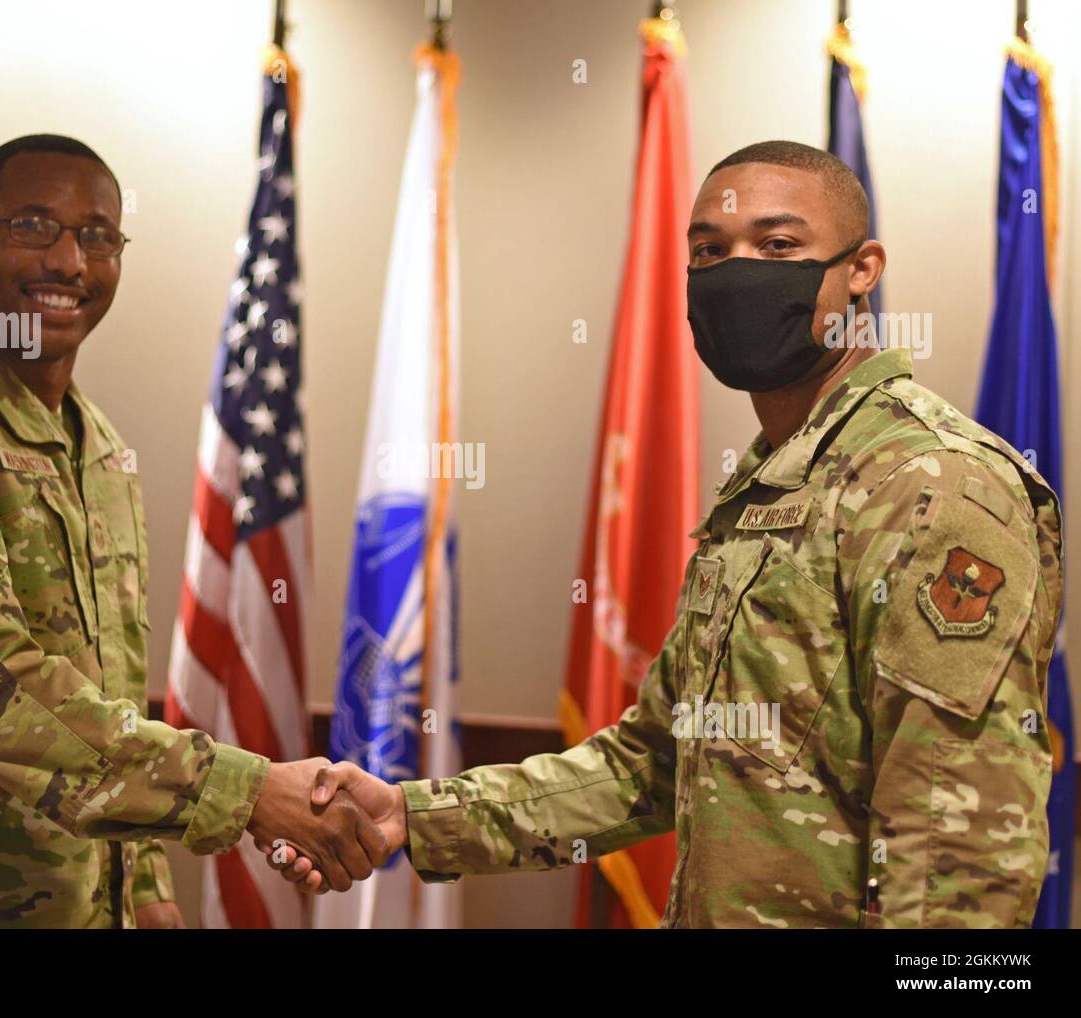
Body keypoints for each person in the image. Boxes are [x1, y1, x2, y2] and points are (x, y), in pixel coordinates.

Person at [271, 141, 1062, 928]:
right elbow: (650, 760)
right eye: (709, 252)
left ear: (862, 269)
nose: (739, 272)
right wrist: (410, 816)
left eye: (779, 246)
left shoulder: (932, 483)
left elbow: (960, 853)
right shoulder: (764, 490)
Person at [0, 134, 387, 929]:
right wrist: (244, 793)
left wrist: (143, 888)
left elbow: (109, 688)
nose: (69, 261)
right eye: (34, 225)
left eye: (97, 235)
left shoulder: (98, 446)